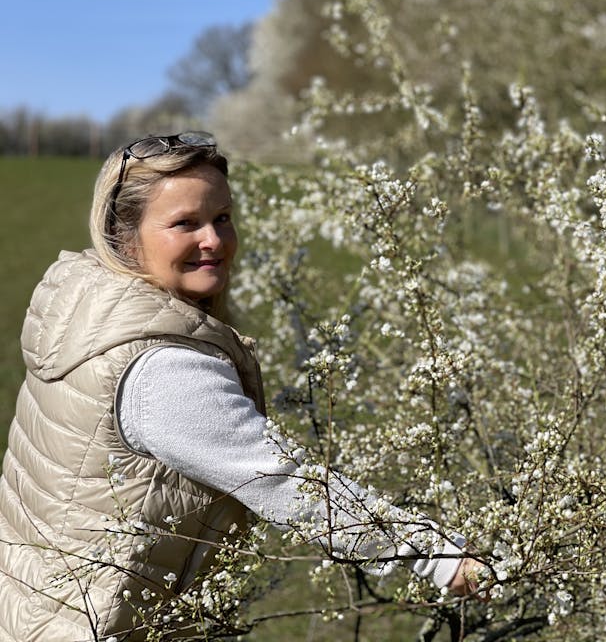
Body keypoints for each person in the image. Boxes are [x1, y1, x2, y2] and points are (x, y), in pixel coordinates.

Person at [0, 132, 480, 641]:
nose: (213, 240)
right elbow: (280, 480)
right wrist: (439, 556)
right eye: (185, 223)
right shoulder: (160, 367)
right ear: (126, 236)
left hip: (31, 603)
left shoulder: (87, 302)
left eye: (222, 217)